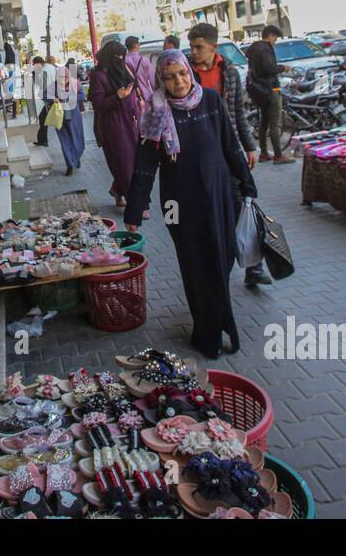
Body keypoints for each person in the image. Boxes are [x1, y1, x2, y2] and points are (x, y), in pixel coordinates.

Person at [125, 50, 257, 359]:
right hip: (178, 205)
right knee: (196, 264)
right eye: (170, 77)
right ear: (161, 79)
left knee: (221, 261)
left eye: (182, 74)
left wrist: (247, 181)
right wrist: (135, 210)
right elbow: (144, 166)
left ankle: (218, 321)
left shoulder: (211, 101)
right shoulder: (155, 113)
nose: (179, 81)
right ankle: (209, 331)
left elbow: (230, 145)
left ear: (189, 72)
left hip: (219, 197)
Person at [187, 22, 269, 287]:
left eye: (199, 47)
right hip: (199, 154)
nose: (195, 52)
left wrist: (250, 147)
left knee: (243, 207)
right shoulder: (185, 73)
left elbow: (238, 113)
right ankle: (213, 269)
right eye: (192, 47)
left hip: (229, 150)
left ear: (213, 46)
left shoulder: (230, 72)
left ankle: (253, 266)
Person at [88, 40, 142, 207]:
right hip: (113, 125)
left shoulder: (125, 68)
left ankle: (118, 190)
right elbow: (97, 104)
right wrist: (117, 96)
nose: (120, 59)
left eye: (122, 56)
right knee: (124, 163)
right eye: (116, 56)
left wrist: (138, 102)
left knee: (135, 162)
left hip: (132, 121)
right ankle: (137, 203)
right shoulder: (98, 76)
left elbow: (135, 88)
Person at [245, 25, 293, 164]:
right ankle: (278, 155)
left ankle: (264, 153)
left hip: (259, 91)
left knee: (264, 122)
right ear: (270, 35)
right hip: (270, 89)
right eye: (275, 38)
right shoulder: (265, 48)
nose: (275, 41)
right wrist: (282, 67)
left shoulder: (253, 49)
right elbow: (268, 68)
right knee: (274, 123)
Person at [55, 58, 86, 176]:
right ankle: (70, 164)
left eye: (65, 78)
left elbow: (82, 95)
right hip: (60, 117)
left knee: (77, 139)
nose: (63, 80)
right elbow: (45, 96)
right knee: (65, 141)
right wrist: (53, 99)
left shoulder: (76, 84)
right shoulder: (54, 86)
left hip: (74, 116)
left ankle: (76, 158)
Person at [124, 36, 155, 112]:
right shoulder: (144, 60)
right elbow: (152, 81)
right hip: (145, 97)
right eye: (139, 44)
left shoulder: (123, 61)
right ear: (136, 45)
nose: (139, 45)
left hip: (129, 98)